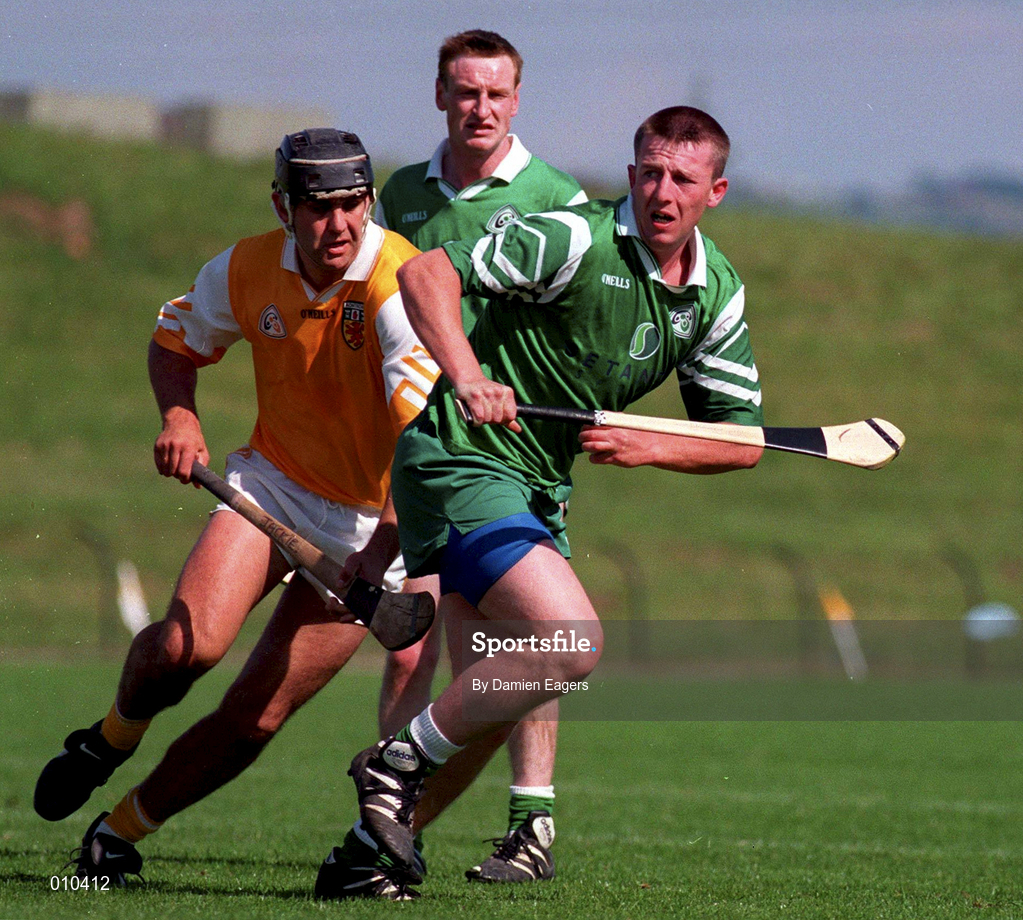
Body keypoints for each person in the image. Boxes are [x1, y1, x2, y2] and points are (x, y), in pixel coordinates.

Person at [336, 105, 765, 897]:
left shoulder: (714, 294)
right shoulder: (573, 236)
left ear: (717, 191)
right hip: (460, 459)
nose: (660, 191)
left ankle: (375, 857)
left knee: (499, 685)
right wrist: (466, 376)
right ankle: (395, 766)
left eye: (682, 178)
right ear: (631, 171)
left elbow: (739, 440)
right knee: (571, 641)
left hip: (535, 479)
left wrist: (652, 445)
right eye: (648, 171)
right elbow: (425, 273)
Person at [33, 128, 438, 895]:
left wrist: (380, 557)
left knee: (256, 716)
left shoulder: (395, 284)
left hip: (368, 526)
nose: (338, 226)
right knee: (188, 648)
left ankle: (116, 834)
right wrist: (180, 417)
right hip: (270, 488)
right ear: (283, 206)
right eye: (318, 209)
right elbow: (175, 341)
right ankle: (107, 741)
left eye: (353, 205)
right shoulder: (246, 267)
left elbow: (420, 444)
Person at [319, 29, 589, 894]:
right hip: (431, 454)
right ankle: (394, 833)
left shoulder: (557, 198)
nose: (480, 109)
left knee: (514, 650)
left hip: (523, 454)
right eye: (465, 93)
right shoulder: (399, 194)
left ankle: (510, 821)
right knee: (431, 652)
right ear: (439, 95)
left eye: (496, 95)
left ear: (517, 101)